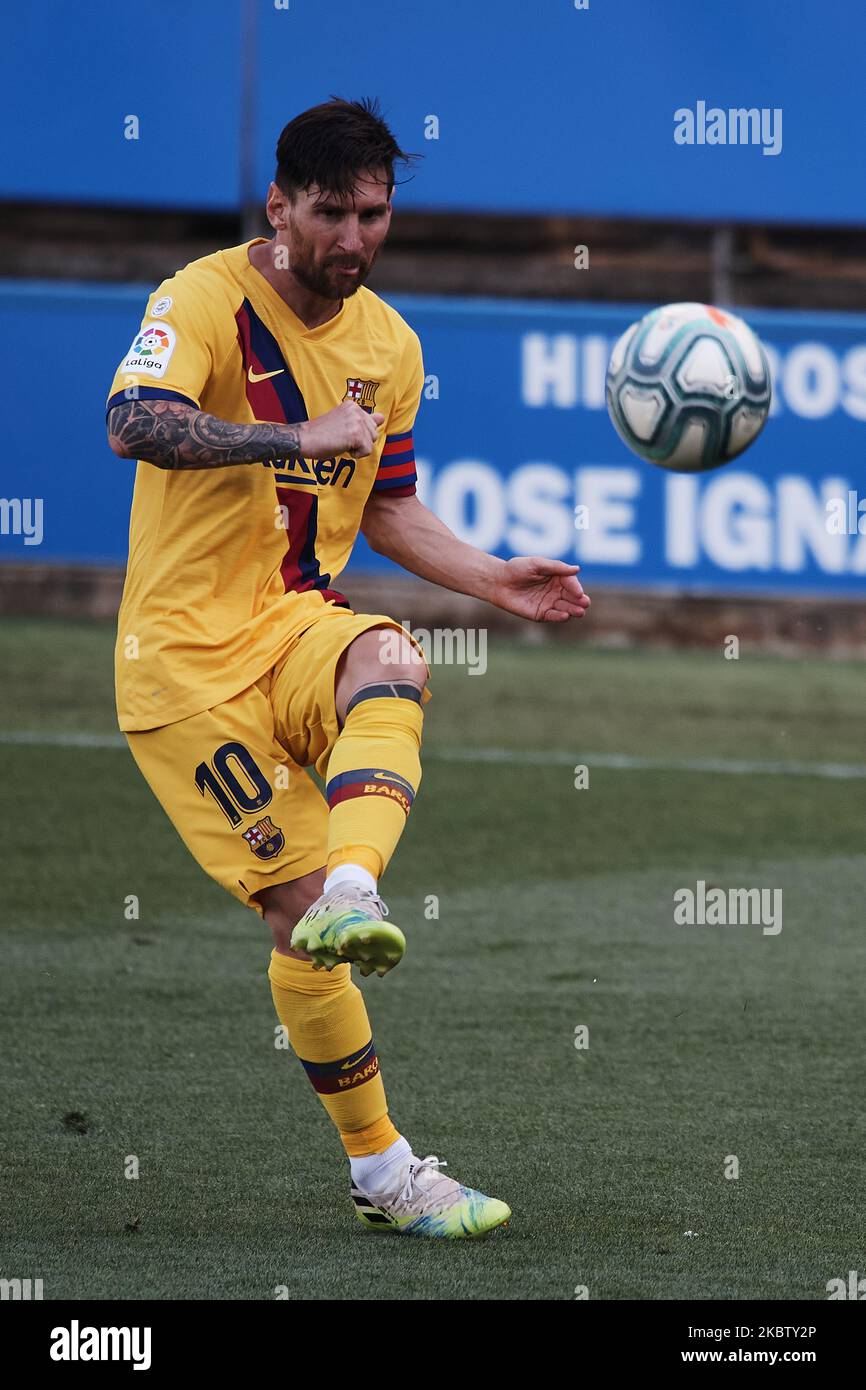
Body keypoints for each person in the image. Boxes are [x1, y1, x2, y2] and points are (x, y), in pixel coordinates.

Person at [106, 96, 590, 1238]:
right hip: (178, 666)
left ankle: (359, 889)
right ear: (279, 207)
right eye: (330, 212)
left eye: (373, 214)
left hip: (291, 625)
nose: (354, 238)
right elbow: (133, 420)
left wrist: (494, 579)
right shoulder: (204, 297)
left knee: (390, 652)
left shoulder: (389, 344)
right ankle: (382, 1172)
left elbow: (390, 506)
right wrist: (294, 436)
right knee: (293, 928)